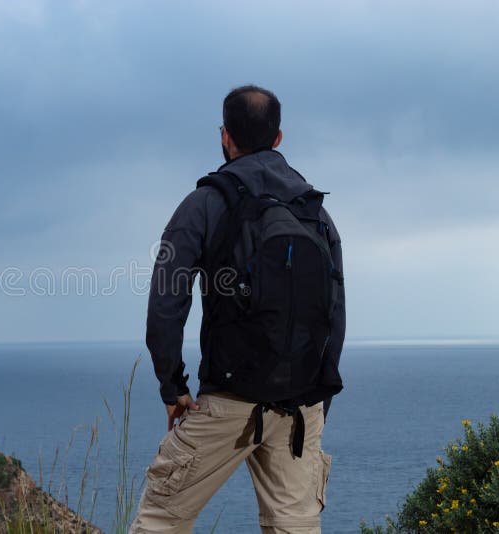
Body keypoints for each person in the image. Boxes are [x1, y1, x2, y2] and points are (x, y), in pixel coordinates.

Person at [130, 85, 346, 533]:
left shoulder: (205, 204)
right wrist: (318, 397)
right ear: (279, 138)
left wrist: (173, 387)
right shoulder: (316, 213)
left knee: (160, 520)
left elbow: (166, 302)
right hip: (300, 408)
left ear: (224, 136)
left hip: (228, 400)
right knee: (295, 527)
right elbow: (335, 309)